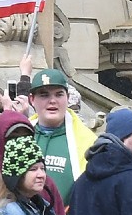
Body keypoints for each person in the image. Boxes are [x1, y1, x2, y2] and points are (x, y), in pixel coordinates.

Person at [25, 68, 93, 204]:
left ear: (67, 98)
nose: (52, 101)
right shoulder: (18, 135)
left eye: (58, 94)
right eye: (44, 95)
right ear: (32, 99)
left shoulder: (89, 142)